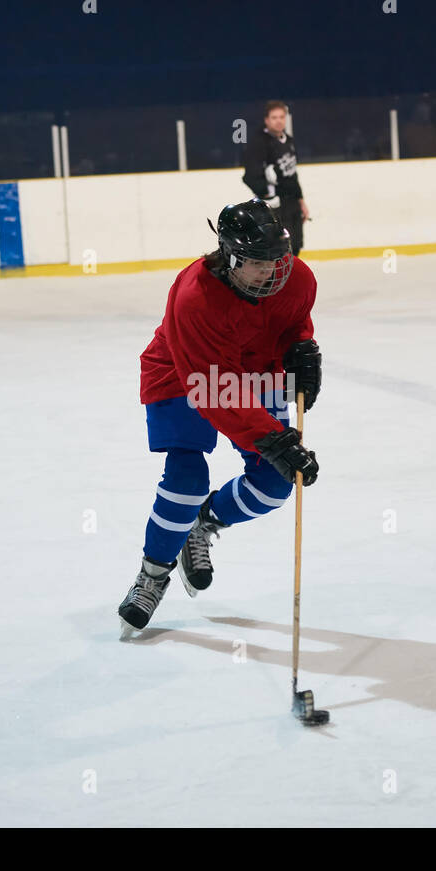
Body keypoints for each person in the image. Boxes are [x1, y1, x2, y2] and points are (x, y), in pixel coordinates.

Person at [120, 199, 322, 636]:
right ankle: (152, 576)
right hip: (183, 372)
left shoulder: (297, 277)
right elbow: (213, 390)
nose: (270, 271)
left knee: (275, 484)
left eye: (276, 259)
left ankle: (205, 523)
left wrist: (300, 353)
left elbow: (293, 324)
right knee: (186, 478)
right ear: (230, 256)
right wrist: (272, 437)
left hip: (253, 370)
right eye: (256, 263)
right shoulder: (194, 297)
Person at [242, 101, 309, 256]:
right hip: (275, 205)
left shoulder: (289, 141)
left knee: (296, 244)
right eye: (274, 117)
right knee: (279, 248)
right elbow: (249, 176)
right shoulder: (258, 143)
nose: (278, 120)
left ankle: (292, 279)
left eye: (281, 117)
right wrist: (267, 195)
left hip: (292, 202)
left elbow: (292, 174)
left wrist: (301, 202)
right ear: (267, 120)